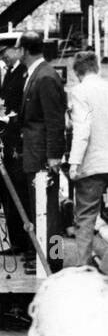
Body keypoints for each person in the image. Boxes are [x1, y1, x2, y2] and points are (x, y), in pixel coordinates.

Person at [17, 31, 67, 269]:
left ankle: (52, 258)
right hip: (36, 152)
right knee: (41, 208)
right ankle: (43, 255)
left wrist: (54, 155)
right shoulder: (39, 74)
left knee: (49, 212)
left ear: (24, 50)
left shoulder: (44, 77)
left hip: (42, 155)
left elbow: (54, 119)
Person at [66, 50, 108, 267]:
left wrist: (74, 163)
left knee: (86, 218)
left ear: (77, 72)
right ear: (97, 67)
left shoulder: (79, 91)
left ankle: (83, 269)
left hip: (92, 164)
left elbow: (83, 130)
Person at [0, 32, 30, 259]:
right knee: (8, 193)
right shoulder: (11, 73)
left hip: (18, 144)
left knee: (20, 193)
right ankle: (16, 240)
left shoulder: (24, 74)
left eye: (4, 52)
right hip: (7, 142)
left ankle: (27, 244)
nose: (2, 57)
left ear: (16, 49)